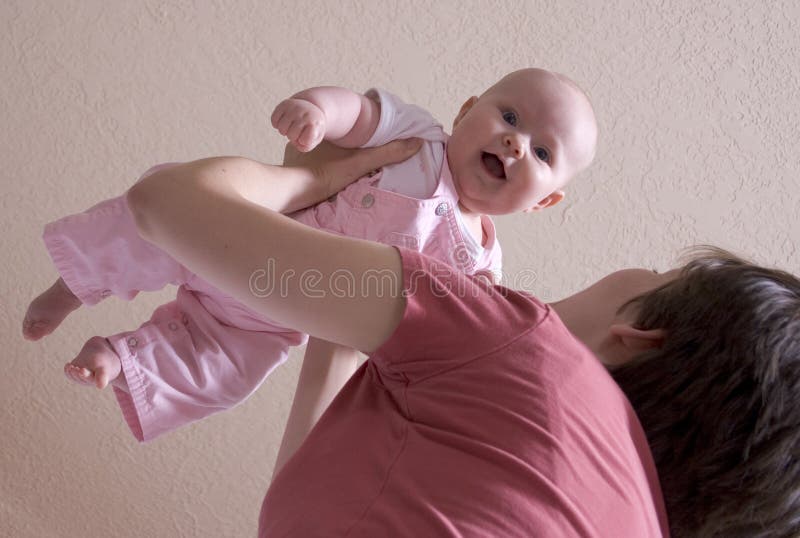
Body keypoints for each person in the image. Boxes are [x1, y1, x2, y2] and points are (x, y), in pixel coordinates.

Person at [118, 144, 800, 537]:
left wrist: (317, 178)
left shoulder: (518, 340)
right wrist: (352, 321)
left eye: (654, 273)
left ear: (640, 337)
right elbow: (315, 511)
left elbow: (163, 205)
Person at [22, 68, 597, 444]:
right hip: (259, 232)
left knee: (227, 369)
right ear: (469, 107)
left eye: (542, 151)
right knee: (151, 224)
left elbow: (453, 334)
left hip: (277, 313)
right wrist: (318, 111)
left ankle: (122, 360)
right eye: (510, 117)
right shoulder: (421, 141)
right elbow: (361, 112)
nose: (515, 142)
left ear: (544, 201)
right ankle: (72, 286)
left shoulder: (482, 269)